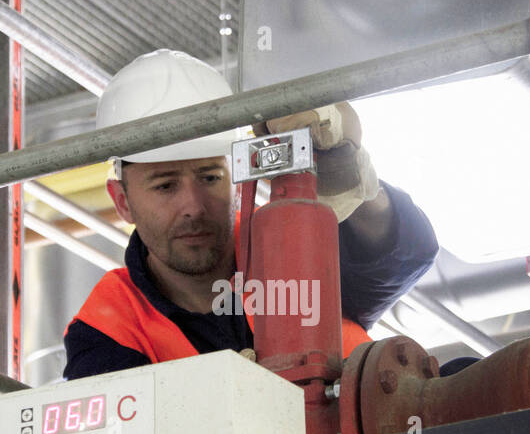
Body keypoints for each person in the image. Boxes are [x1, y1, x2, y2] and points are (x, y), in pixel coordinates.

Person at [62, 50, 439, 380]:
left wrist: (355, 184)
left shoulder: (291, 241)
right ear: (122, 201)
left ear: (236, 173)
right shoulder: (108, 329)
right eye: (165, 186)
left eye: (210, 177)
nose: (193, 206)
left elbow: (405, 255)